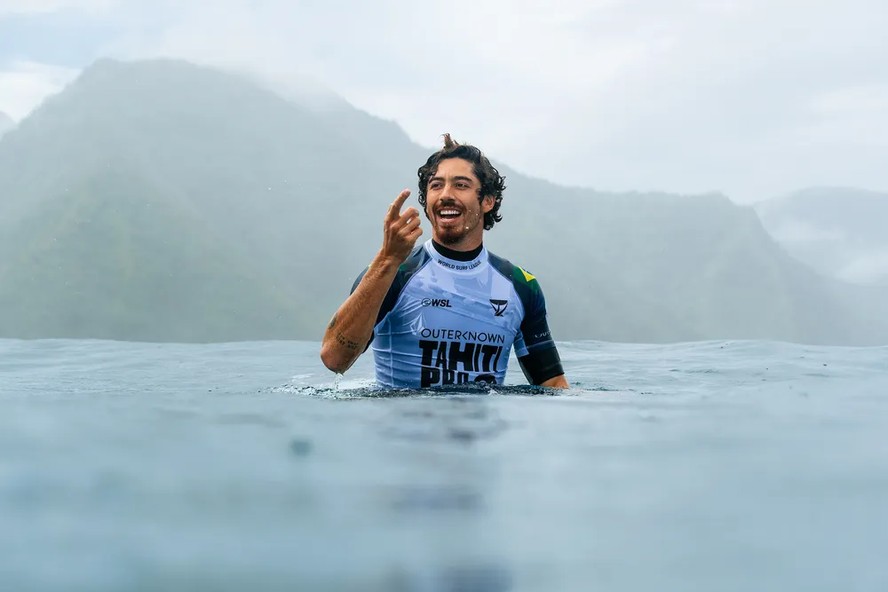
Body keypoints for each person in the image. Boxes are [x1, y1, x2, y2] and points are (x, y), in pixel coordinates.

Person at [320, 134, 568, 389]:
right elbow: (334, 359)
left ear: (487, 201)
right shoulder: (394, 273)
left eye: (460, 185)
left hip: (483, 429)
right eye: (436, 185)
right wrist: (387, 260)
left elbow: (552, 384)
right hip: (402, 427)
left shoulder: (520, 286)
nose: (445, 194)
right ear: (426, 201)